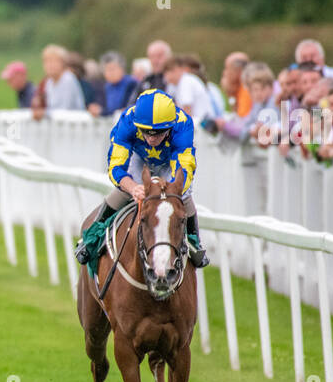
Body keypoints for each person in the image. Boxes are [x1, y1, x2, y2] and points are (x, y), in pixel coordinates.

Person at [75, 89, 209, 270]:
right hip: (139, 158)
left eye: (159, 132)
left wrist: (171, 190)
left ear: (170, 126)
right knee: (122, 192)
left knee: (184, 195)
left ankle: (194, 242)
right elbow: (116, 166)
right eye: (146, 132)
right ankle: (91, 239)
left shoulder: (183, 124)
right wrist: (132, 188)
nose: (152, 138)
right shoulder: (128, 120)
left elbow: (184, 168)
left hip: (170, 160)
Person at [31, 45, 87, 118]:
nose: (49, 65)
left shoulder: (68, 79)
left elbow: (66, 109)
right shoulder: (49, 82)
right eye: (46, 61)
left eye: (53, 61)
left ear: (63, 63)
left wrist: (44, 114)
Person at [99, 51, 137, 117]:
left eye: (112, 69)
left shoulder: (132, 84)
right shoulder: (106, 87)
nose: (110, 73)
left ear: (122, 69)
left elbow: (126, 109)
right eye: (106, 70)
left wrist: (101, 111)